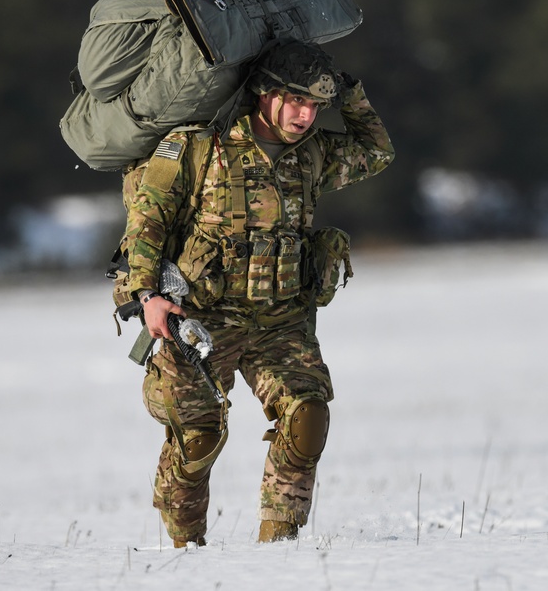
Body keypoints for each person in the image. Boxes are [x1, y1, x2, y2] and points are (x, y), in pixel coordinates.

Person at [116, 39, 394, 545]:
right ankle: (185, 552)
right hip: (201, 318)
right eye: (297, 101)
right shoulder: (199, 146)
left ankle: (278, 550)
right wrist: (145, 295)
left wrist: (349, 91)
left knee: (307, 417)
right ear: (266, 93)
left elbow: (377, 151)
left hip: (281, 320)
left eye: (316, 105)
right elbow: (146, 222)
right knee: (196, 440)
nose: (306, 115)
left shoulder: (312, 154)